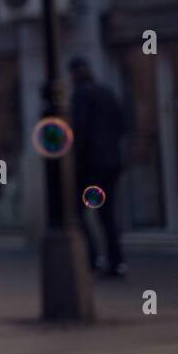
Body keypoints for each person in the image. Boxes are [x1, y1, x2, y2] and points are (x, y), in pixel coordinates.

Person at [68, 58, 128, 277]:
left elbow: (79, 131)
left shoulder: (80, 95)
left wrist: (76, 161)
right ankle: (116, 262)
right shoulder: (107, 92)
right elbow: (123, 125)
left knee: (76, 212)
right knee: (108, 215)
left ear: (73, 74)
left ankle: (93, 259)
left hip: (90, 166)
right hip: (112, 164)